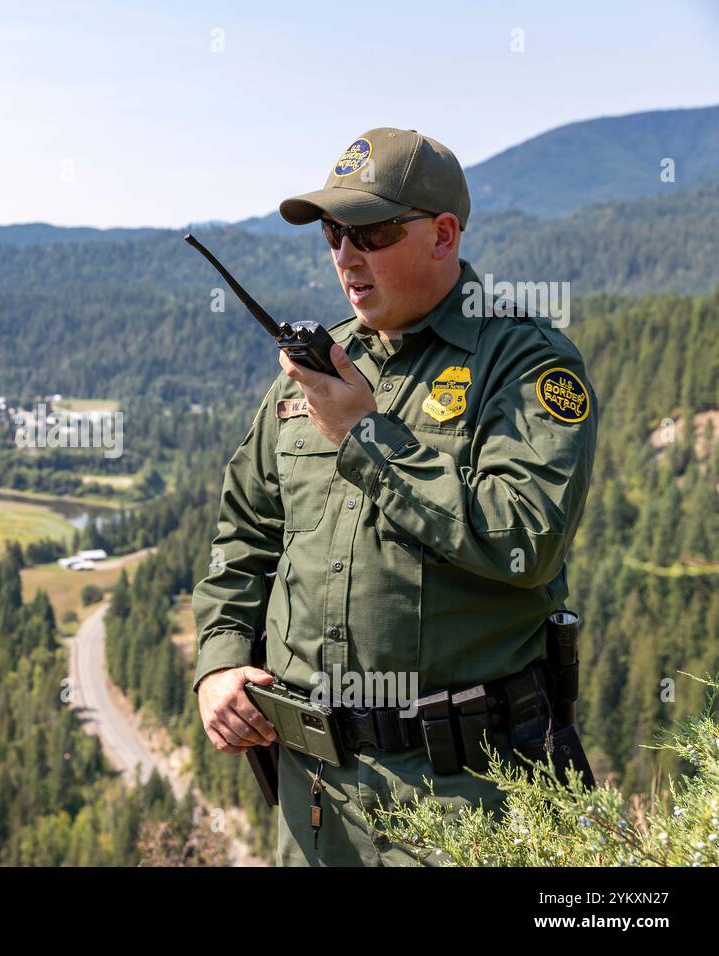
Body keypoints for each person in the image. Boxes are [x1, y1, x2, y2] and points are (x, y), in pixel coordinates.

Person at [191, 127, 598, 866]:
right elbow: (245, 533)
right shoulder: (318, 368)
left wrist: (365, 436)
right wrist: (219, 660)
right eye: (332, 232)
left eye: (371, 231)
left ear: (443, 235)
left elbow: (525, 539)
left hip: (472, 794)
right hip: (316, 796)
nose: (346, 254)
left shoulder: (523, 359)